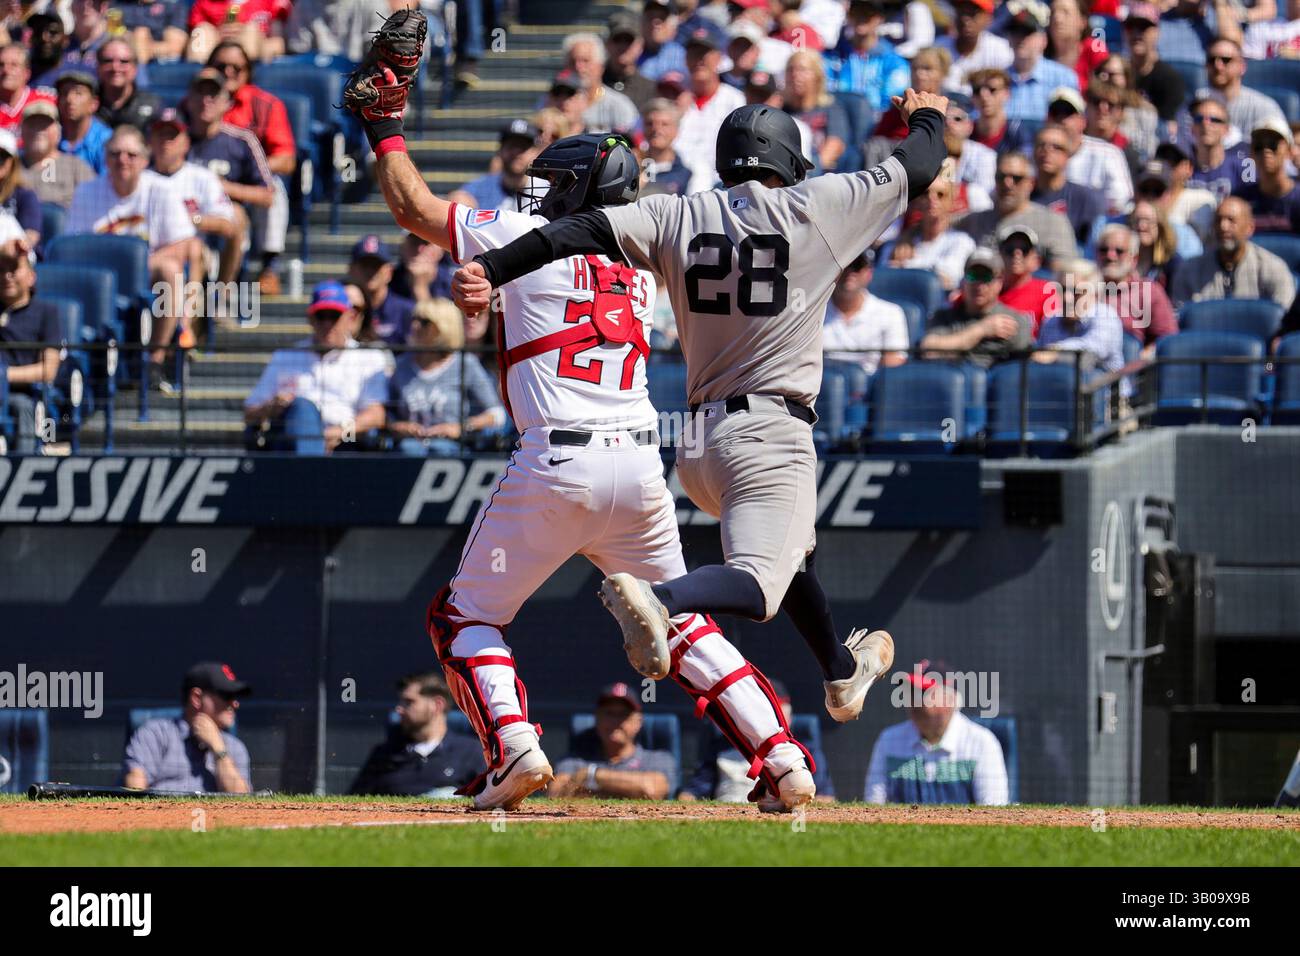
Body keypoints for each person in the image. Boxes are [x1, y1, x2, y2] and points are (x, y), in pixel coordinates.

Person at [348, 42, 823, 813]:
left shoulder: (518, 236)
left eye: (555, 183)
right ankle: (780, 758)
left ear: (577, 188)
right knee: (685, 623)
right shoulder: (649, 249)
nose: (542, 195)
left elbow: (410, 207)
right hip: (641, 465)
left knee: (465, 615)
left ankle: (514, 749)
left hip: (555, 461)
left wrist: (384, 126)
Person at [451, 94, 952, 733]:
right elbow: (921, 163)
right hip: (772, 432)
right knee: (759, 586)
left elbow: (573, 231)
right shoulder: (823, 205)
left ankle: (840, 670)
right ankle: (661, 601)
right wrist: (928, 117)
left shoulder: (676, 213)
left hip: (698, 444)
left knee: (793, 554)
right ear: (790, 161)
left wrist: (491, 266)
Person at [66, 124, 194, 383]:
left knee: (171, 270)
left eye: (131, 155)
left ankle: (156, 358)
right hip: (97, 276)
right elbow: (72, 246)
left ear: (145, 160)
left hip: (146, 271)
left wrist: (135, 267)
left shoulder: (161, 190)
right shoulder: (87, 192)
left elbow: (182, 246)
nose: (122, 160)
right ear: (105, 157)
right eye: (115, 154)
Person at [243, 281, 389, 454]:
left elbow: (376, 416)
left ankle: (310, 470)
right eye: (321, 316)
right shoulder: (286, 356)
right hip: (291, 437)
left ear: (349, 317)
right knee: (301, 408)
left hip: (347, 436)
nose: (327, 324)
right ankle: (312, 467)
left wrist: (341, 431)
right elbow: (249, 412)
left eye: (334, 316)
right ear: (310, 319)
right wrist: (272, 406)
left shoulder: (368, 357)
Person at [208, 40, 294, 292]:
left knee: (274, 187)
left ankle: (270, 265)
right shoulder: (198, 101)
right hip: (206, 185)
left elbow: (286, 159)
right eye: (221, 66)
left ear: (248, 71)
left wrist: (250, 169)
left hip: (247, 183)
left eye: (237, 67)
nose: (228, 72)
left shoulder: (265, 105)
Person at [865, 660, 1009, 805]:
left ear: (951, 699)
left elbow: (993, 811)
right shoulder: (889, 740)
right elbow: (873, 806)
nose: (914, 702)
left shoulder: (981, 743)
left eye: (923, 693)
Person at [182, 67, 275, 286]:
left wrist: (219, 186)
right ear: (188, 100)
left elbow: (268, 195)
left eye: (213, 94)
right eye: (200, 93)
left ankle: (222, 292)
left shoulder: (241, 141)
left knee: (236, 213)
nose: (206, 100)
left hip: (224, 220)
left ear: (227, 102)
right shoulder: (175, 139)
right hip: (185, 214)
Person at [681, 678, 835, 802]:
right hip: (729, 813)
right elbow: (693, 792)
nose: (767, 720)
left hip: (782, 817)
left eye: (775, 713)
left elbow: (825, 798)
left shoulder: (804, 753)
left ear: (787, 716)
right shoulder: (723, 747)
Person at [386, 298, 506, 456]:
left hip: (451, 449)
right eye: (413, 319)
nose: (414, 326)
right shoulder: (401, 365)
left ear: (444, 327)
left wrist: (460, 427)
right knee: (409, 449)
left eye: (424, 322)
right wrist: (397, 426)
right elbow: (385, 414)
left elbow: (496, 414)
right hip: (409, 448)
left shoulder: (466, 363)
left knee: (441, 449)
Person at [121, 661, 253, 794]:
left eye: (235, 697)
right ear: (196, 698)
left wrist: (218, 748)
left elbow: (241, 800)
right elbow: (135, 789)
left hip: (213, 815)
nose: (235, 704)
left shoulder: (235, 747)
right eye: (227, 696)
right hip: (161, 813)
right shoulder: (155, 734)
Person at [147, 107, 243, 289]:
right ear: (150, 141)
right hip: (151, 253)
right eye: (161, 135)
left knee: (194, 248)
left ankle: (197, 311)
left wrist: (193, 220)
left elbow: (229, 224)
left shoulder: (201, 177)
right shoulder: (141, 179)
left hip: (194, 254)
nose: (166, 142)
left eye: (172, 136)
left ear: (186, 142)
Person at [349, 671, 485, 797]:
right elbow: (353, 802)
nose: (399, 709)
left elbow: (490, 799)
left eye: (409, 702)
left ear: (437, 705)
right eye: (401, 701)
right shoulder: (384, 755)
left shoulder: (472, 752)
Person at [549, 683, 679, 799]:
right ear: (597, 718)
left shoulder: (658, 759)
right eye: (608, 713)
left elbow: (651, 790)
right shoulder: (575, 760)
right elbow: (556, 792)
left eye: (623, 714)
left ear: (638, 722)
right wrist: (628, 790)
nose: (615, 721)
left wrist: (591, 775)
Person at [955, 150, 1079, 267]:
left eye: (1017, 178)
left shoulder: (1053, 222)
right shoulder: (977, 219)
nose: (1007, 184)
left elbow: (1065, 271)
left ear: (1031, 183)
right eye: (1001, 177)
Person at [1170, 196, 1296, 310]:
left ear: (1249, 228)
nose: (1223, 226)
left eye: (1231, 220)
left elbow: (1282, 316)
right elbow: (1181, 317)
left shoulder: (1273, 268)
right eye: (1218, 220)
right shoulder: (1190, 270)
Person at [921, 248, 1033, 366]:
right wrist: (981, 330)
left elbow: (1024, 368)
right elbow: (929, 350)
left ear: (999, 282)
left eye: (986, 277)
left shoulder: (1014, 321)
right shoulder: (944, 318)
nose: (979, 285)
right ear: (963, 281)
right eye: (973, 276)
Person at [0, 238, 60, 454]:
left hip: (23, 394)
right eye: (1, 270)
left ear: (31, 277)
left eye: (14, 269)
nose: (7, 276)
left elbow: (48, 370)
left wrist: (4, 375)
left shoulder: (46, 313)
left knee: (21, 407)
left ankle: (21, 470)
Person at [673, 28, 745, 195]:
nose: (699, 60)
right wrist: (676, 113)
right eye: (693, 54)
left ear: (719, 58)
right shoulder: (673, 95)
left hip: (720, 184)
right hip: (675, 183)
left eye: (704, 54)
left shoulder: (734, 99)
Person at [1095, 222, 1178, 355]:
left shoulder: (1149, 291)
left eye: (1119, 251)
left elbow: (1167, 339)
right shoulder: (1085, 289)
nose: (1110, 256)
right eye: (1104, 250)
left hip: (1131, 366)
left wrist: (1143, 357)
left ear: (1133, 259)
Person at [1047, 86, 1133, 215]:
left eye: (1068, 113)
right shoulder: (1035, 152)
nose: (1062, 120)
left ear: (1082, 120)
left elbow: (1120, 201)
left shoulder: (1107, 153)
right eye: (1056, 113)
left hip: (1093, 223)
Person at [823, 248, 909, 376]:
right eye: (845, 265)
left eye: (858, 266)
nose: (850, 272)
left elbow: (893, 365)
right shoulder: (813, 312)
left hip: (868, 391)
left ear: (869, 274)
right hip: (821, 389)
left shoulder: (891, 313)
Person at [1035, 258, 1125, 375]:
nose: (1067, 298)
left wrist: (1055, 352)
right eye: (1063, 289)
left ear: (1096, 294)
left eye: (1076, 292)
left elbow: (1092, 351)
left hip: (1105, 391)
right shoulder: (1051, 320)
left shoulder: (1107, 316)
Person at [890, 173, 977, 290]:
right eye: (926, 193)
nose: (932, 199)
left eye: (940, 194)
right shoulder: (902, 242)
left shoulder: (961, 242)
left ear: (951, 201)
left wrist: (904, 265)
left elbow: (948, 279)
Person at [823, 0, 910, 116]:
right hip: (836, 119)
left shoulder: (894, 62)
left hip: (876, 124)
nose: (861, 17)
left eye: (868, 13)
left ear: (880, 18)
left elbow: (891, 101)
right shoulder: (832, 56)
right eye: (856, 12)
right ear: (849, 16)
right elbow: (824, 93)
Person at [1030, 123, 1107, 247]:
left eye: (1056, 147)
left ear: (1068, 155)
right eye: (1041, 145)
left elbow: (1091, 247)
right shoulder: (1023, 193)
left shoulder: (1084, 199)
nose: (1047, 151)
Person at [1003, 0, 1079, 123]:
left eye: (1027, 32)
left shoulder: (1063, 78)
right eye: (1015, 31)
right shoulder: (998, 79)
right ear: (1008, 38)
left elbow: (1072, 123)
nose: (1020, 38)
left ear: (1043, 40)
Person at [1204, 37, 1287, 140]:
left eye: (1226, 60)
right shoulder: (1194, 106)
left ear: (1242, 67)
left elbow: (1283, 151)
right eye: (1212, 60)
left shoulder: (1263, 107)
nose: (1218, 66)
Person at [782, 50, 849, 174]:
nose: (795, 75)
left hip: (818, 176)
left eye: (802, 70)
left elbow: (835, 145)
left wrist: (809, 172)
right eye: (790, 70)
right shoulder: (780, 110)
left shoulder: (831, 108)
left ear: (817, 76)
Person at [20, 99, 94, 209]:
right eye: (32, 125)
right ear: (22, 131)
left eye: (44, 125)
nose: (39, 131)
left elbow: (94, 203)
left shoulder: (76, 167)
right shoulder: (10, 166)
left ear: (58, 131)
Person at [1123, 3, 1187, 131]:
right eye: (1130, 27)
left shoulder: (1170, 79)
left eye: (1143, 27)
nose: (1136, 33)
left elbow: (1170, 128)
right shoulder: (1117, 73)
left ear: (1157, 32)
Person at [563, 32, 640, 135]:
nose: (579, 67)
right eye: (573, 61)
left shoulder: (618, 105)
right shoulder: (553, 101)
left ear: (600, 65)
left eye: (585, 61)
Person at [1233, 118, 1300, 234]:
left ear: (1289, 151)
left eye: (1273, 144)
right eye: (1259, 145)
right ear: (1251, 153)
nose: (1266, 151)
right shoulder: (1241, 199)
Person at [347, 234, 415, 345]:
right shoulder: (340, 310)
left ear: (389, 272)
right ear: (351, 269)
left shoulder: (406, 311)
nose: (370, 271)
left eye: (376, 265)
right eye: (364, 265)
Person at [462, 119, 542, 214]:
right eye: (511, 146)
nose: (516, 152)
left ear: (535, 153)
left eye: (523, 147)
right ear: (500, 150)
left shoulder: (547, 192)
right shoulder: (478, 189)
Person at [1185, 90, 1250, 204]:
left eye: (1214, 120)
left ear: (1226, 129)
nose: (1206, 124)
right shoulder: (1182, 169)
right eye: (1199, 119)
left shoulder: (1243, 167)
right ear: (1192, 128)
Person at [940, 0, 1013, 93]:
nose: (965, 19)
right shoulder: (939, 47)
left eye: (973, 13)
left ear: (988, 18)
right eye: (962, 12)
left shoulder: (1000, 50)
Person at [995, 223, 1054, 334]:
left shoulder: (1047, 291)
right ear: (999, 255)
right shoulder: (987, 288)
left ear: (1036, 259)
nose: (1017, 254)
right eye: (1009, 249)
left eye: (1025, 249)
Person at [94, 37, 161, 132]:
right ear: (98, 67)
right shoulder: (87, 103)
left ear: (135, 68)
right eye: (108, 61)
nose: (115, 67)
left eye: (124, 61)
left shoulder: (153, 105)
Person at [968, 68, 1036, 156]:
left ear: (1007, 94)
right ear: (972, 97)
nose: (984, 96)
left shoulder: (1018, 133)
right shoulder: (966, 133)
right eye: (977, 91)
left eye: (992, 89)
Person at [55, 71, 112, 175]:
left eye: (78, 93)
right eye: (64, 92)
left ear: (94, 104)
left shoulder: (106, 141)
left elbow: (107, 183)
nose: (69, 99)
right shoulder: (52, 137)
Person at [604, 10, 656, 113]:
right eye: (617, 40)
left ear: (640, 45)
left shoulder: (650, 89)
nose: (622, 47)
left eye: (629, 40)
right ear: (607, 44)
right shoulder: (595, 84)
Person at [640, 98, 693, 198]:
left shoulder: (687, 172)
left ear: (676, 130)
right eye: (650, 123)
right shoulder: (633, 166)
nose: (656, 129)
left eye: (664, 124)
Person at [0, 43, 54, 133]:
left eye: (14, 65)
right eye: (1, 65)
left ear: (27, 73)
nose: (6, 70)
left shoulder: (44, 101)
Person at [0, 129, 40, 249]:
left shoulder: (25, 194)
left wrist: (15, 247)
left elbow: (31, 235)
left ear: (13, 162)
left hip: (16, 258)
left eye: (2, 157)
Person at [1130, 198, 1183, 288]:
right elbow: (1112, 294)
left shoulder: (1172, 263)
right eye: (1136, 220)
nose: (1141, 225)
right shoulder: (1123, 258)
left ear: (1160, 226)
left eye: (1147, 220)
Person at [390, 231, 454, 303]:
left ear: (441, 249)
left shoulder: (453, 284)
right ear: (402, 247)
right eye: (414, 242)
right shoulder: (388, 280)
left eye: (426, 243)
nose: (419, 249)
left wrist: (420, 289)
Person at [637, 0, 688, 82]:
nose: (655, 23)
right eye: (650, 17)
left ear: (672, 25)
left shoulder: (682, 57)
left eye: (662, 17)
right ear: (641, 22)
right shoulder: (630, 52)